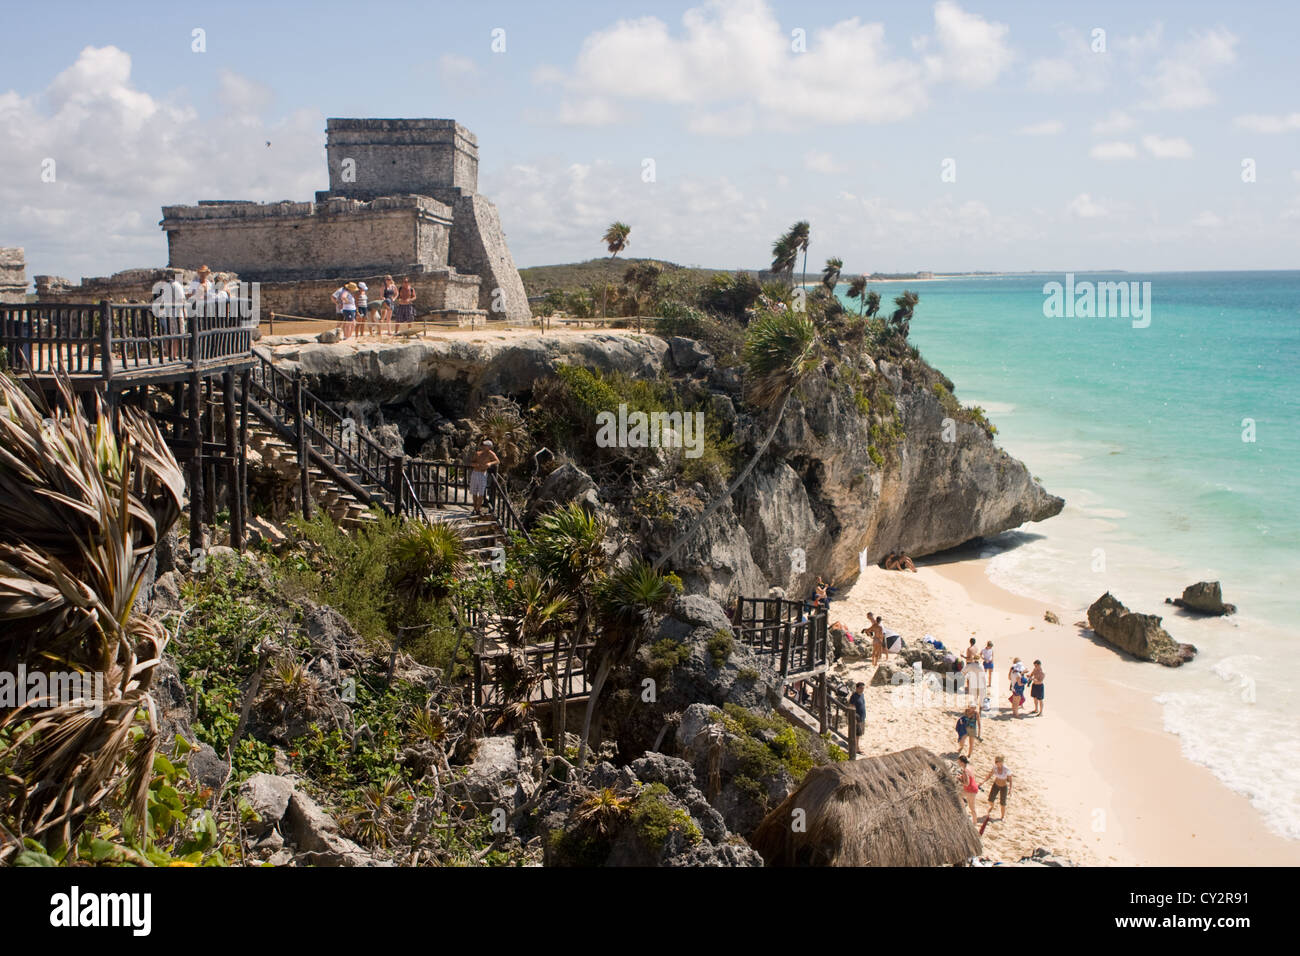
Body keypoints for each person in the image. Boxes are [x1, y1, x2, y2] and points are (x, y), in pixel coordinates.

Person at [467, 438, 500, 516]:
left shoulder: (491, 454)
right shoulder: (478, 453)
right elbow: (471, 462)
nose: (483, 446)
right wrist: (475, 465)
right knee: (474, 492)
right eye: (483, 445)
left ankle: (478, 509)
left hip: (483, 474)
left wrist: (490, 463)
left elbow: (497, 461)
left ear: (489, 447)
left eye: (485, 445)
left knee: (481, 492)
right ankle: (475, 508)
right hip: (475, 473)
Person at [980, 756, 1013, 821]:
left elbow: (1010, 780)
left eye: (998, 762)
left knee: (1002, 803)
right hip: (996, 785)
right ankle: (992, 807)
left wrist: (1010, 789)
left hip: (1003, 787)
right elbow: (989, 775)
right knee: (990, 800)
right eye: (996, 762)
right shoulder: (995, 768)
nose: (996, 763)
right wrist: (983, 781)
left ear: (1002, 762)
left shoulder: (1007, 770)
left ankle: (1002, 816)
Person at [957, 755, 979, 825]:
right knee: (958, 796)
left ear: (962, 762)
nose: (958, 763)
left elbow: (966, 783)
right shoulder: (969, 767)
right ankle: (963, 811)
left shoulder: (965, 771)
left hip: (971, 790)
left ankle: (975, 822)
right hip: (970, 789)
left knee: (972, 807)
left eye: (959, 762)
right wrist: (961, 776)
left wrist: (960, 779)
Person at [848, 681, 866, 750]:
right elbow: (851, 707)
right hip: (856, 718)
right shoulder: (854, 696)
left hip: (862, 718)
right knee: (857, 734)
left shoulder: (862, 695)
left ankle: (857, 747)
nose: (862, 689)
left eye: (863, 688)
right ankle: (856, 748)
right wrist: (854, 719)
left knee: (860, 734)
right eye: (861, 688)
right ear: (857, 688)